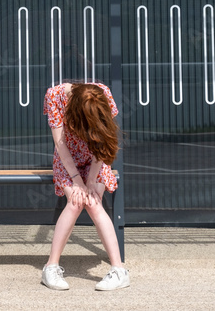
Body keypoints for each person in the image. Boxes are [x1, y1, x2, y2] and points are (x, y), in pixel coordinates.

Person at [41, 81, 130, 291]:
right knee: (75, 201)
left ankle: (119, 271)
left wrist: (90, 180)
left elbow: (103, 140)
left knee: (92, 201)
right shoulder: (54, 96)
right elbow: (60, 144)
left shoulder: (102, 94)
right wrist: (76, 180)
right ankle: (51, 267)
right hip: (67, 160)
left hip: (96, 157)